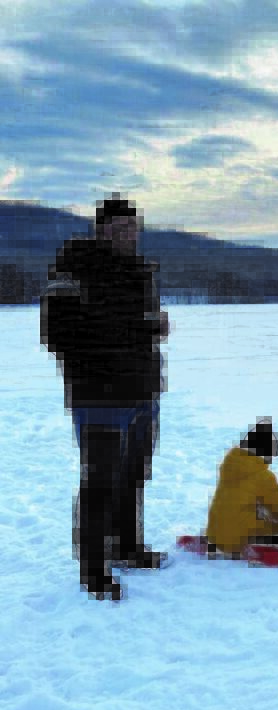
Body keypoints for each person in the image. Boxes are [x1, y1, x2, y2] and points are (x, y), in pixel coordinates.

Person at [40, 195, 168, 601]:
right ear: (100, 230)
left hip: (142, 391)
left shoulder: (139, 271)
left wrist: (151, 330)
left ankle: (127, 548)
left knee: (133, 476)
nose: (128, 234)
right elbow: (58, 336)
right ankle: (94, 569)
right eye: (118, 228)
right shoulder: (74, 269)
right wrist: (138, 331)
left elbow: (137, 326)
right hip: (98, 395)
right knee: (100, 483)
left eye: (133, 227)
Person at [204, 419, 278, 559]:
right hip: (239, 538)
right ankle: (254, 546)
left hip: (214, 535)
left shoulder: (230, 467)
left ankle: (215, 542)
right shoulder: (263, 476)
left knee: (252, 510)